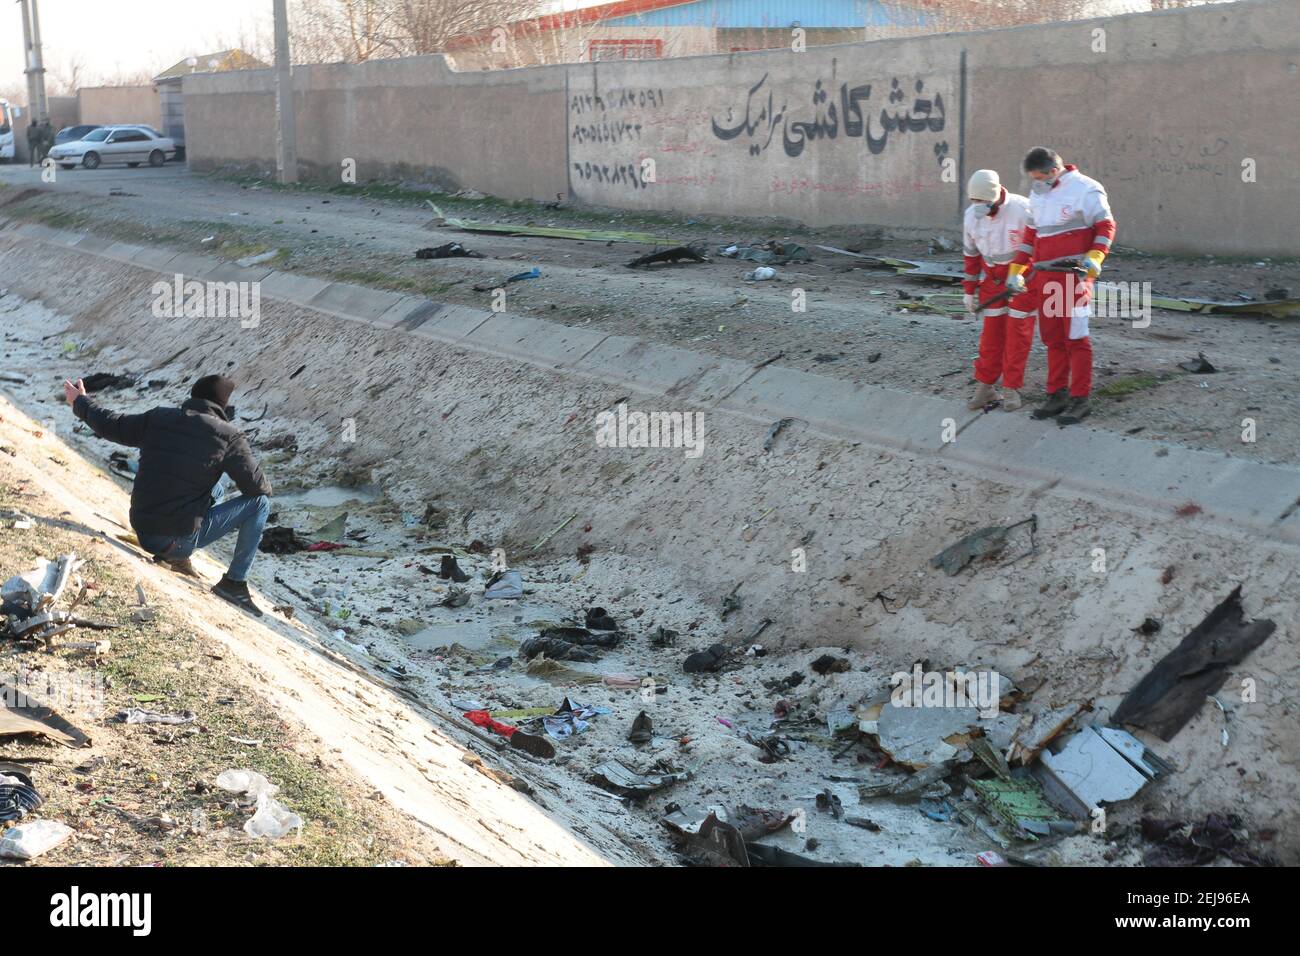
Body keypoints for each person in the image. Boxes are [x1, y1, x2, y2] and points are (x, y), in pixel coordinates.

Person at [63, 374, 272, 615]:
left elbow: (112, 424)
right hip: (175, 542)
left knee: (217, 489)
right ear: (222, 405)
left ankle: (176, 559)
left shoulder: (160, 417)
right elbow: (258, 489)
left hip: (143, 529)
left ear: (194, 395)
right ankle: (234, 583)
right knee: (260, 504)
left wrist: (81, 402)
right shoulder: (229, 436)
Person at [1006, 147, 1117, 425]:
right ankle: (1057, 393)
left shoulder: (1086, 189)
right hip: (1045, 277)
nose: (1035, 183)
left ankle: (1080, 399)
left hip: (1075, 276)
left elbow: (1106, 226)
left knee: (1076, 338)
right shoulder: (1039, 194)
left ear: (1054, 172)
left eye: (1039, 178)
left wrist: (1096, 256)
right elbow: (1031, 234)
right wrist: (1017, 269)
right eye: (1032, 179)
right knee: (1053, 338)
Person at [961, 169, 1036, 411]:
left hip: (1021, 281)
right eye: (973, 201)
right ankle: (986, 386)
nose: (977, 206)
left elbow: (1038, 246)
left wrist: (1023, 276)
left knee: (1018, 335)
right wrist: (969, 291)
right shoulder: (971, 217)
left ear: (995, 196)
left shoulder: (1023, 210)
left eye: (982, 201)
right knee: (991, 337)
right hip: (992, 284)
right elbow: (971, 257)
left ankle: (1011, 387)